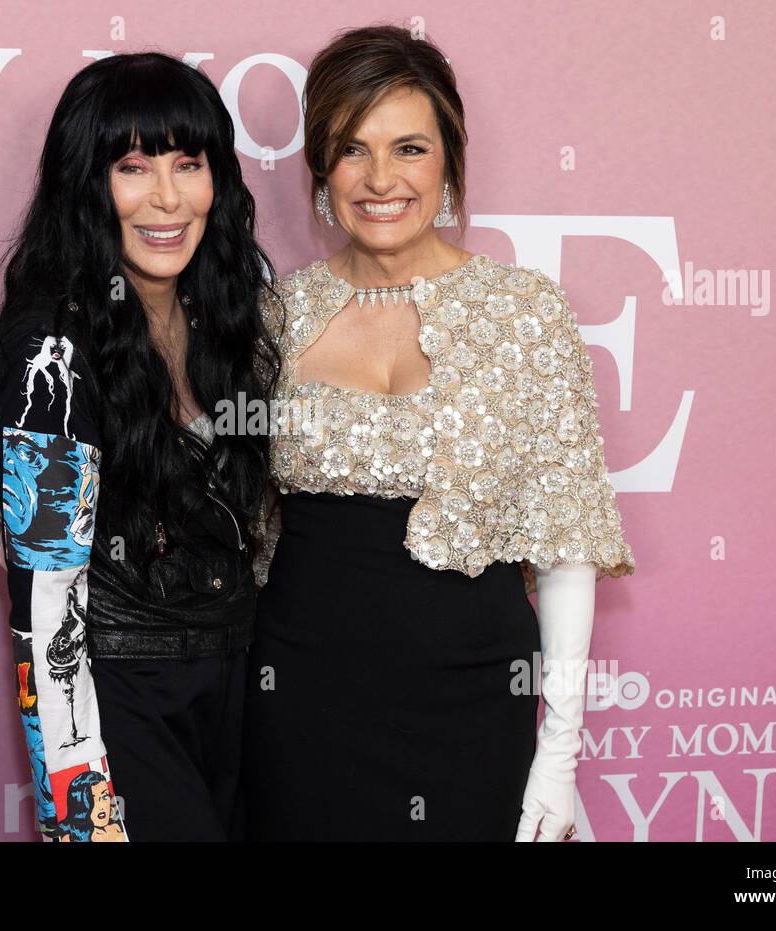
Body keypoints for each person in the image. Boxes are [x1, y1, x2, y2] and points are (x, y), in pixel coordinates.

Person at [245, 24, 635, 841]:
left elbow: (565, 547)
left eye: (410, 148)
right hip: (301, 698)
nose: (380, 179)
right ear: (321, 169)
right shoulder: (273, 317)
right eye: (352, 149)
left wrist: (557, 757)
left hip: (473, 697)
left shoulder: (527, 314)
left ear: (451, 162)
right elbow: (246, 531)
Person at [0, 52, 282, 841]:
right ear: (85, 185)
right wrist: (82, 817)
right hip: (125, 695)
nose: (166, 197)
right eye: (132, 166)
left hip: (236, 688)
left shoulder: (223, 321)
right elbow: (45, 614)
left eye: (187, 163)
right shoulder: (49, 348)